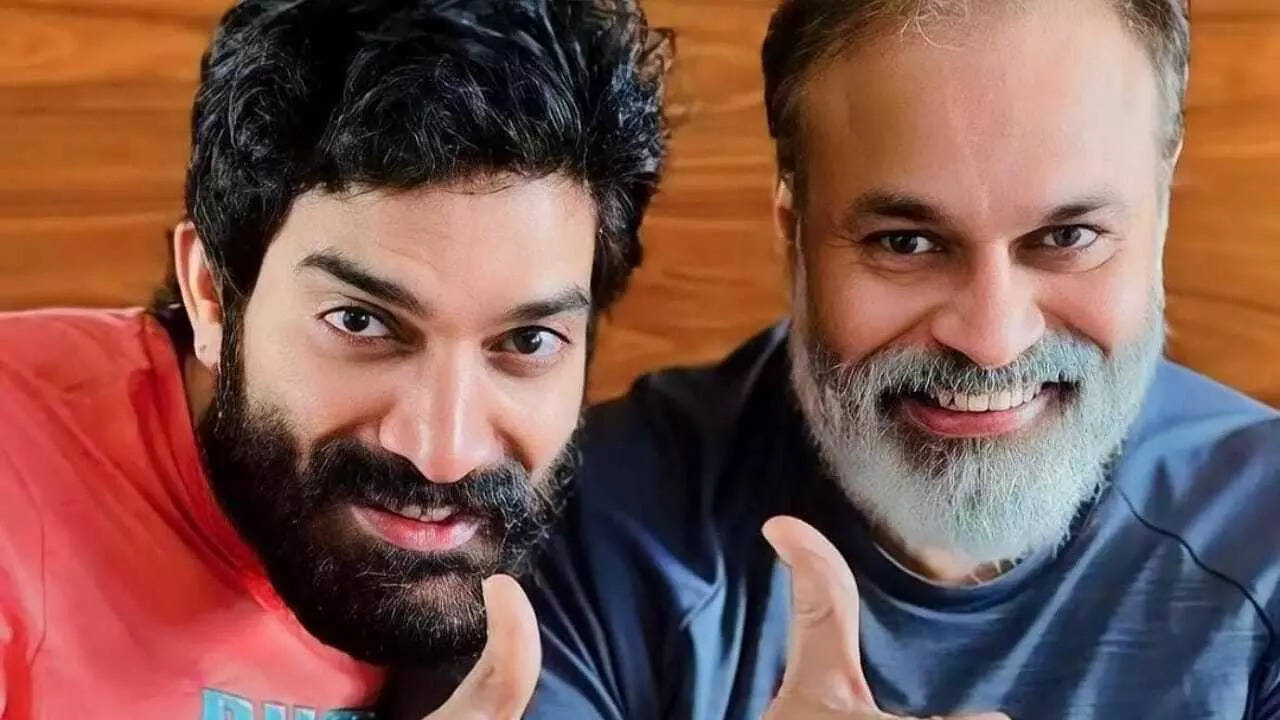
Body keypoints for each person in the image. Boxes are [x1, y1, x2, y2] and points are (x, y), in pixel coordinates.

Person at [392, 0, 1280, 718]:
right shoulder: (583, 529)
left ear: (1160, 212)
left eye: (1069, 236)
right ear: (795, 235)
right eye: (906, 242)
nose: (991, 338)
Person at [0, 0, 669, 717]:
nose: (444, 454)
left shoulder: (616, 565)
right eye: (361, 322)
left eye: (527, 341)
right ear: (214, 297)